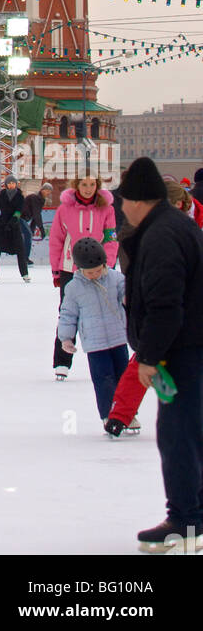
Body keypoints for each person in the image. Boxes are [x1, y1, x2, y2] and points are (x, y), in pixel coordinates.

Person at [117, 157, 203, 553]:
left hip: (183, 353)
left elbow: (166, 306)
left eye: (124, 201)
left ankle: (186, 519)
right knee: (190, 434)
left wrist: (149, 357)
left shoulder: (162, 235)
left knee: (178, 437)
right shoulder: (171, 226)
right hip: (188, 349)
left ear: (138, 200)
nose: (120, 207)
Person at [49, 176, 118, 377]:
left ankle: (105, 360)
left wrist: (108, 265)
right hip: (70, 268)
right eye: (84, 184)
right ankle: (62, 361)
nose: (88, 189)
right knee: (67, 313)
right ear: (76, 185)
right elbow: (56, 239)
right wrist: (56, 270)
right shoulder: (65, 208)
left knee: (101, 314)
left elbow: (111, 238)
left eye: (92, 185)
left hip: (98, 268)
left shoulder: (107, 208)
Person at [58, 238, 129, 426]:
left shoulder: (115, 278)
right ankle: (108, 415)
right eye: (90, 272)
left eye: (99, 269)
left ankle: (127, 415)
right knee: (103, 380)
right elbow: (67, 314)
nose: (96, 274)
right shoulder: (73, 288)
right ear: (80, 268)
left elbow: (127, 293)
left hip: (118, 338)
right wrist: (66, 338)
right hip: (95, 345)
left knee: (124, 379)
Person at [0, 176, 30, 282]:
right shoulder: (1, 195)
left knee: (20, 250)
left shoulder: (20, 196)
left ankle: (25, 273)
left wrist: (13, 221)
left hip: (14, 226)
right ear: (6, 184)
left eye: (13, 183)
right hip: (1, 226)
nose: (11, 185)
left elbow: (19, 211)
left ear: (16, 184)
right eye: (9, 183)